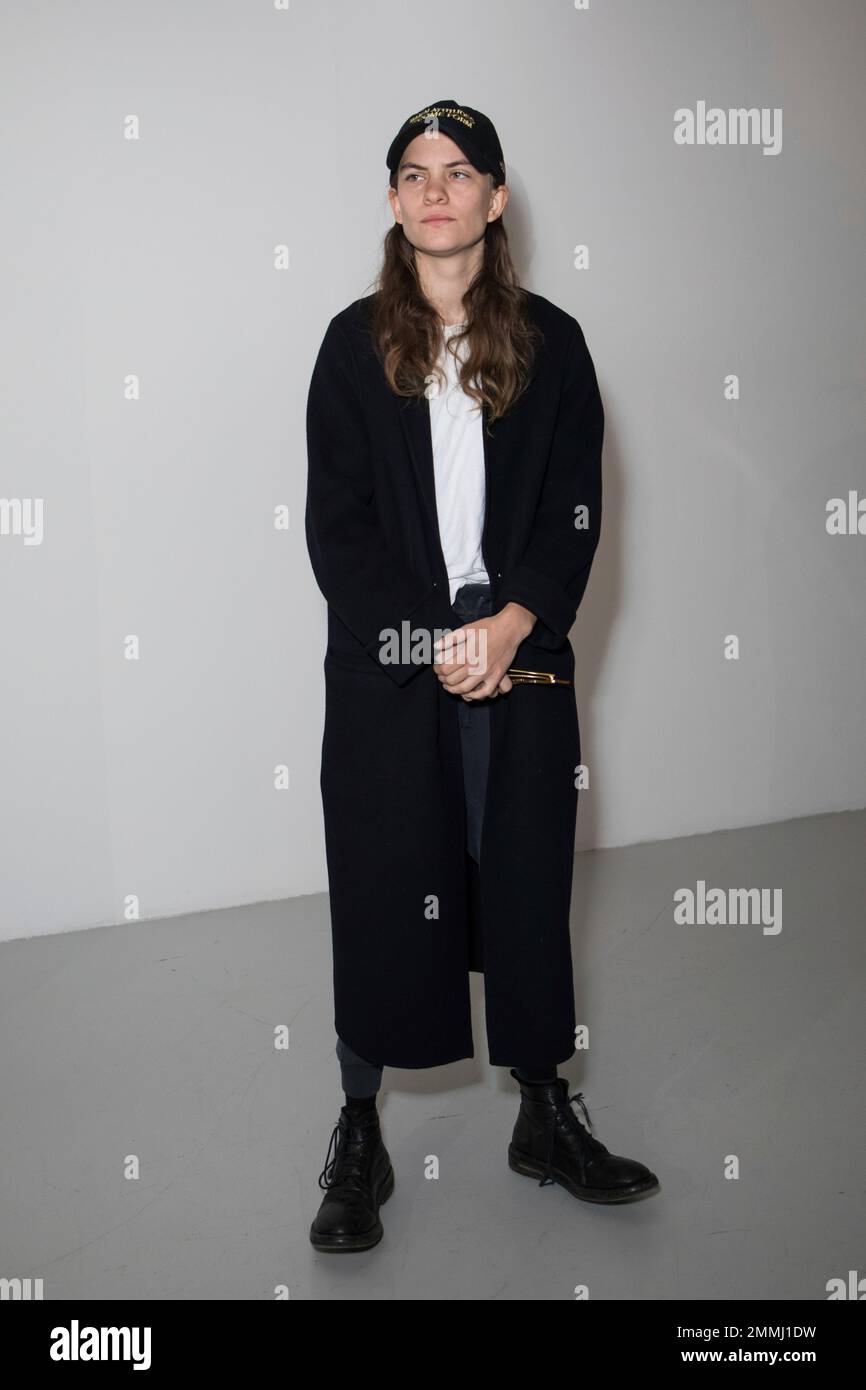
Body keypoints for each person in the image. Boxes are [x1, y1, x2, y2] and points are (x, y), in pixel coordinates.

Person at [304, 99, 658, 1253]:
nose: (435, 188)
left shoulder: (551, 343)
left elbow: (575, 509)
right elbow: (337, 531)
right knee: (383, 884)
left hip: (520, 654)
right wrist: (429, 641)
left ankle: (542, 1112)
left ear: (495, 199)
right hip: (391, 665)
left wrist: (508, 624)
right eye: (414, 172)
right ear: (394, 200)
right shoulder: (352, 346)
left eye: (459, 171)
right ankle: (359, 1127)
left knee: (519, 879)